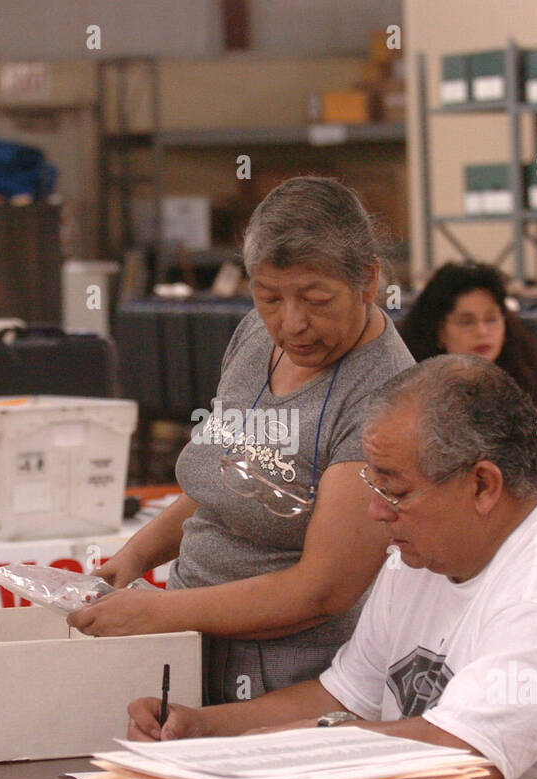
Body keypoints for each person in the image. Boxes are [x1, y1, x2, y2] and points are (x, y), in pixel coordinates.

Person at [126, 356, 537, 779]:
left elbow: (460, 758)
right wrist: (203, 729)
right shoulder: (422, 553)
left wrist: (255, 759)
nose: (375, 513)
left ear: (482, 485)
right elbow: (345, 695)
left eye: (395, 491)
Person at [68, 176, 416, 705]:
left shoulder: (381, 394)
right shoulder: (257, 335)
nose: (292, 323)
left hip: (291, 675)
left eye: (317, 299)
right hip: (190, 641)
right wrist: (134, 557)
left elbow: (322, 590)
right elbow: (231, 479)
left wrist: (159, 612)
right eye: (269, 296)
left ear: (368, 281)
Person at [399, 261, 537, 481]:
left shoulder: (525, 383)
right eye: (466, 322)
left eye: (492, 319)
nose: (482, 331)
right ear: (438, 331)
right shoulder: (417, 396)